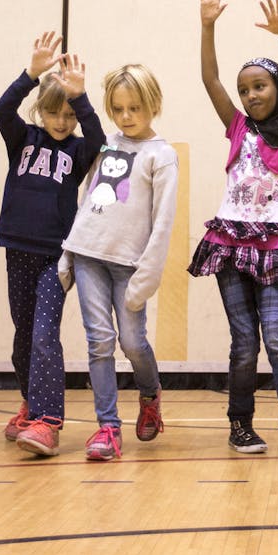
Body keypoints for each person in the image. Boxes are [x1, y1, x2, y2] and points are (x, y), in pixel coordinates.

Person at [188, 0, 278, 463]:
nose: (248, 94)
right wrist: (207, 26)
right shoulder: (238, 126)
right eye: (245, 89)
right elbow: (210, 81)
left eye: (258, 86)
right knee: (244, 340)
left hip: (275, 246)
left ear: (277, 90)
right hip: (229, 243)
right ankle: (240, 426)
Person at [62, 63, 179, 461]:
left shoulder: (161, 156)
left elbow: (163, 223)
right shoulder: (106, 144)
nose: (126, 118)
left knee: (131, 342)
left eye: (134, 109)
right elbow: (88, 199)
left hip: (129, 266)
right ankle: (108, 428)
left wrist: (146, 277)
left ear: (153, 105)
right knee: (99, 343)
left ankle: (150, 394)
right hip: (88, 256)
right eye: (118, 109)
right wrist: (69, 252)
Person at [0, 33, 103, 458]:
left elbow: (99, 141)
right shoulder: (22, 139)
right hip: (17, 249)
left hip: (56, 257)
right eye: (54, 114)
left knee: (44, 335)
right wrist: (30, 74)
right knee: (23, 337)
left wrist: (82, 98)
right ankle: (29, 402)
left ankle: (47, 421)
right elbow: (2, 109)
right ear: (39, 111)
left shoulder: (78, 150)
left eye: (68, 116)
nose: (61, 122)